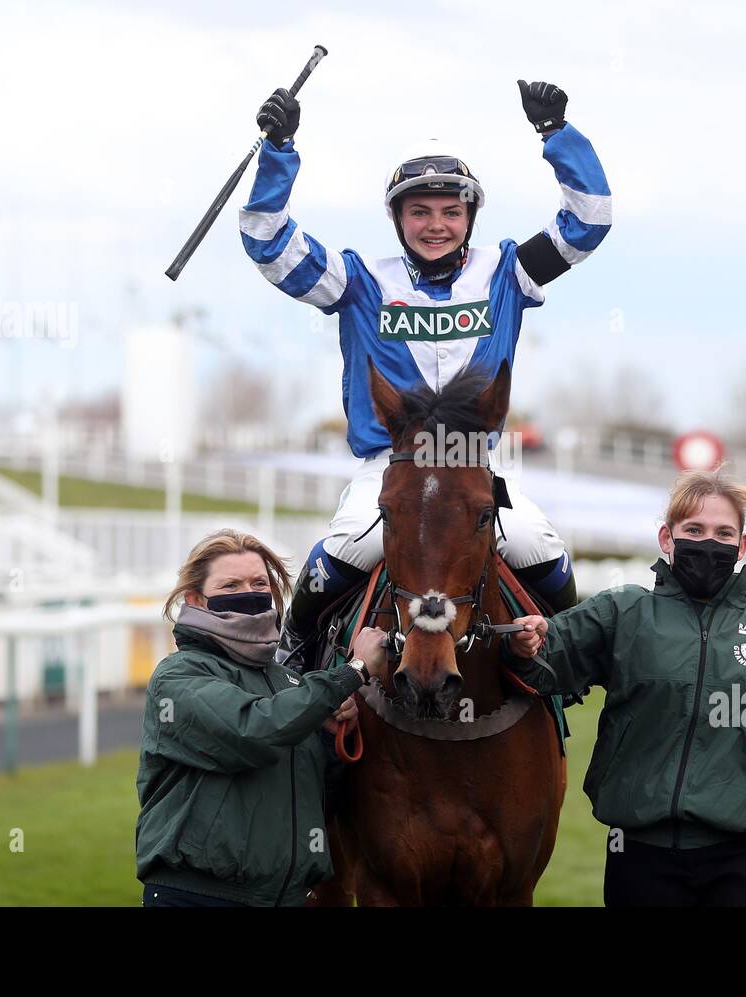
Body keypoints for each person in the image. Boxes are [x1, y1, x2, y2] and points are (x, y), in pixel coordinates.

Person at [240, 79, 612, 666]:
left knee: (539, 543)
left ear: (468, 217)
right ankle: (293, 654)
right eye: (420, 212)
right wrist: (278, 151)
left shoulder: (509, 272)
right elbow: (268, 244)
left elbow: (589, 221)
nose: (435, 225)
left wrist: (557, 135)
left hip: (471, 464)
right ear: (398, 219)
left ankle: (570, 659)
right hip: (389, 467)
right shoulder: (356, 279)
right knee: (344, 546)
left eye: (449, 211)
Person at [504, 470, 746, 907]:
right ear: (667, 538)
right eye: (694, 530)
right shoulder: (622, 612)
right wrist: (526, 643)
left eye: (724, 532)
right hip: (639, 856)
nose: (709, 542)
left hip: (745, 860)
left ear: (741, 546)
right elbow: (546, 660)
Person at [135, 528, 388, 907]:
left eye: (258, 582)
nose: (248, 593)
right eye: (230, 585)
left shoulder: (289, 683)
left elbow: (316, 799)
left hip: (286, 898)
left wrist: (331, 736)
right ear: (195, 600)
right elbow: (253, 730)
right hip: (197, 897)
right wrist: (351, 672)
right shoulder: (178, 676)